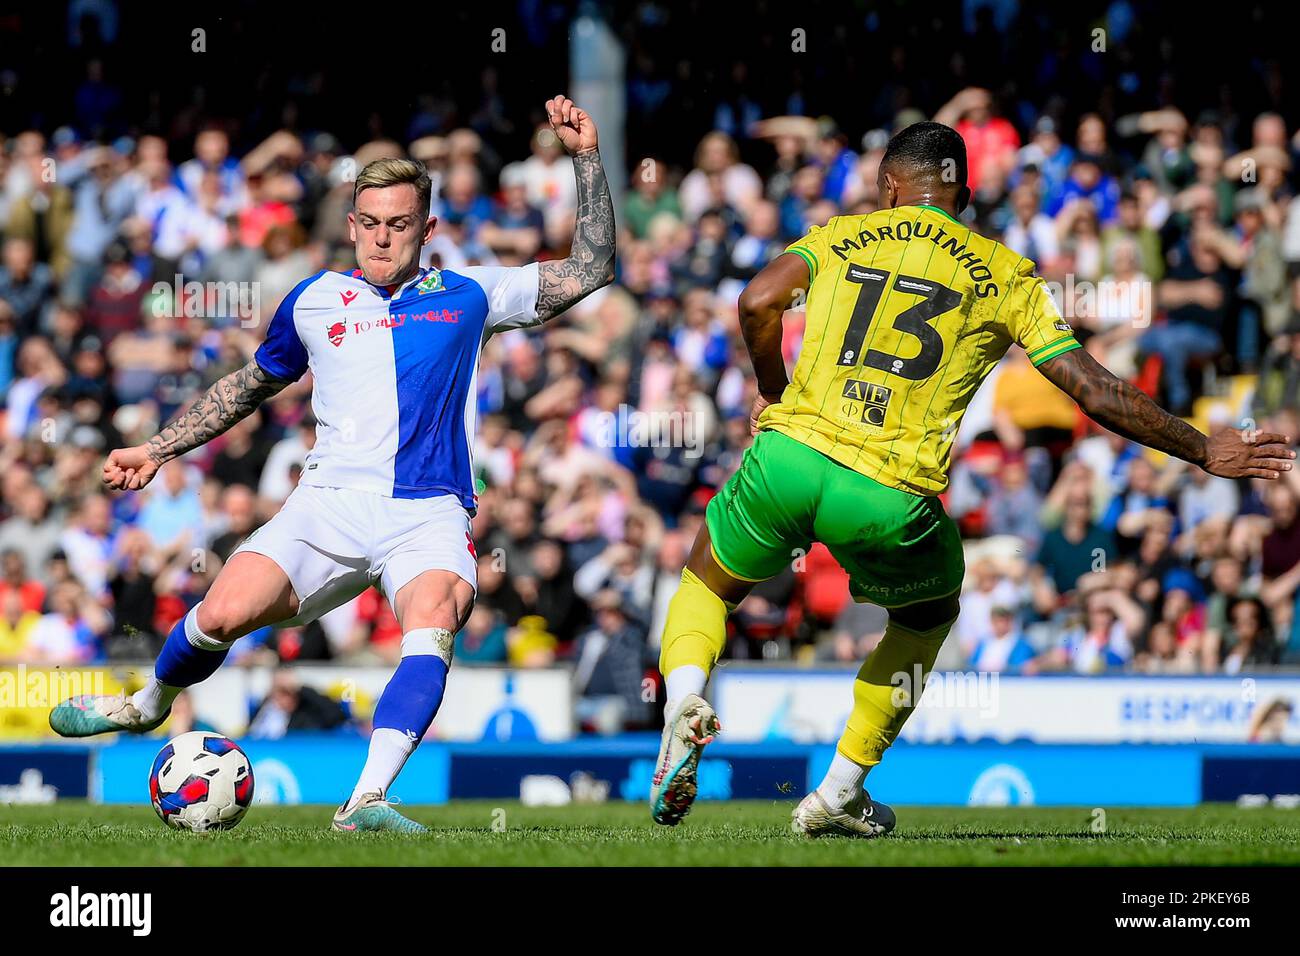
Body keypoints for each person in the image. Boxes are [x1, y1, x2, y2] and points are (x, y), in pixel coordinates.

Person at [649, 121, 1296, 837]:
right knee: (927, 617)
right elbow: (1095, 391)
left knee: (708, 583)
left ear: (888, 184)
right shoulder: (1006, 271)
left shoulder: (840, 236)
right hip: (887, 493)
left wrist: (774, 389)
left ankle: (683, 699)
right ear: (964, 187)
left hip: (790, 457)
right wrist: (1203, 448)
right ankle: (838, 791)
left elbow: (754, 303)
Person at [49, 95, 615, 833]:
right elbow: (250, 385)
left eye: (400, 225)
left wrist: (586, 157)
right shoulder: (314, 300)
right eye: (370, 224)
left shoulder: (470, 292)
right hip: (327, 505)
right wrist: (157, 449)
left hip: (428, 511)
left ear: (428, 229)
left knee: (435, 617)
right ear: (352, 226)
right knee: (219, 613)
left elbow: (593, 266)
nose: (382, 239)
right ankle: (146, 705)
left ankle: (367, 800)